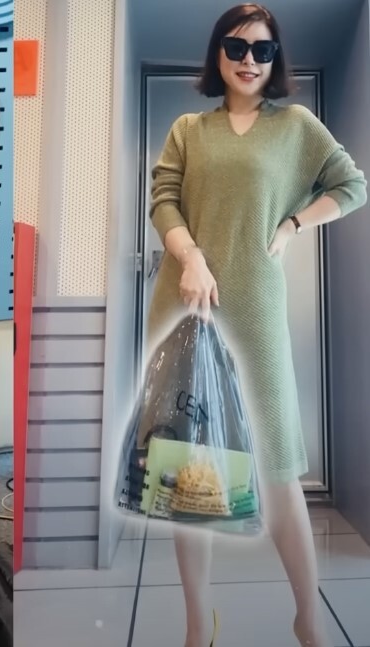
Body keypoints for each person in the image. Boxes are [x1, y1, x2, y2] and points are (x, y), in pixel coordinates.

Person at [148, 4, 367, 647]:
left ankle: (308, 616)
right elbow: (163, 200)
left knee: (277, 469)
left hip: (257, 313)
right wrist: (191, 258)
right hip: (187, 308)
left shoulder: (295, 126)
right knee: (188, 471)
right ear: (218, 54)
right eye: (237, 47)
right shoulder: (189, 129)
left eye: (262, 50)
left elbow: (351, 185)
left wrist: (295, 224)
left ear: (276, 59)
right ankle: (198, 624)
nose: (249, 60)